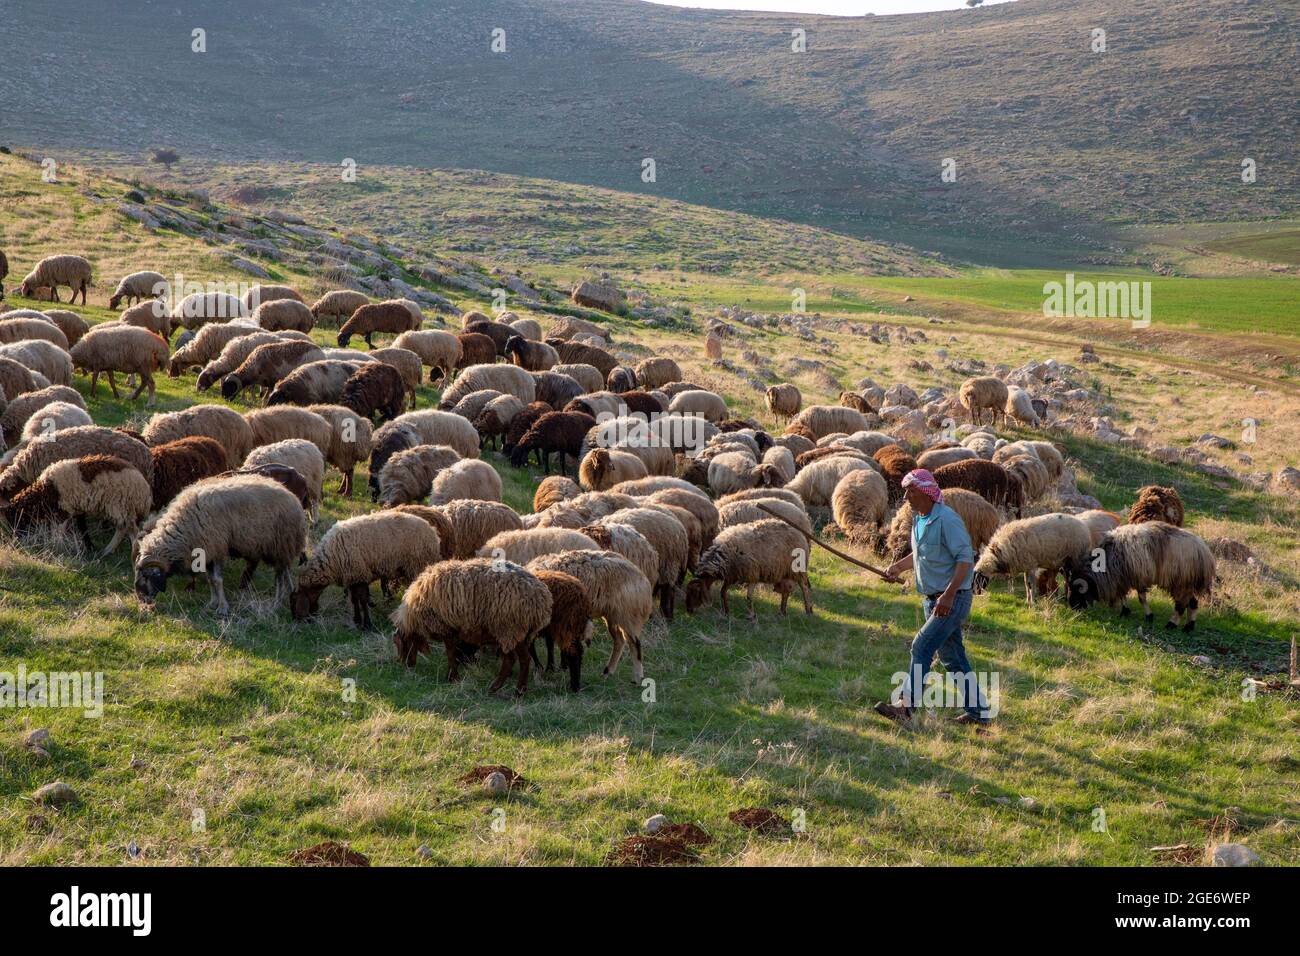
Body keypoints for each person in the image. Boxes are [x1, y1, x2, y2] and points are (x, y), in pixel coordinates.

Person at [873, 468, 991, 726]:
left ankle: (905, 707)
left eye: (911, 491)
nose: (906, 496)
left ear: (926, 493)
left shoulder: (947, 520)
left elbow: (965, 560)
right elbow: (920, 555)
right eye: (906, 491)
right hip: (932, 600)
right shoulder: (920, 520)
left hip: (952, 599)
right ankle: (979, 712)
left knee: (921, 646)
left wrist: (948, 596)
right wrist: (896, 568)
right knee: (953, 659)